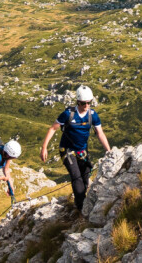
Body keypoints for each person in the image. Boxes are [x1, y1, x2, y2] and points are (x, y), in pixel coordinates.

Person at [39, 85, 112, 214]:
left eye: (89, 103)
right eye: (84, 103)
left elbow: (100, 133)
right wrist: (44, 147)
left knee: (85, 176)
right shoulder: (68, 114)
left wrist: (109, 151)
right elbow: (53, 129)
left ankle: (82, 201)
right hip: (67, 150)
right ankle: (81, 207)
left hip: (82, 150)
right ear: (78, 101)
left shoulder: (92, 115)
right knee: (76, 177)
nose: (86, 106)